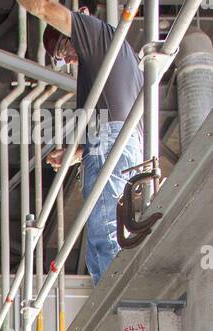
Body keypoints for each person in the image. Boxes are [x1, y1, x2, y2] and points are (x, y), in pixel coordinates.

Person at [18, 0, 144, 283]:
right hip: (121, 142)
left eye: (63, 51)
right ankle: (115, 304)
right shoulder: (114, 52)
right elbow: (116, 115)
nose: (69, 60)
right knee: (103, 242)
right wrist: (79, 151)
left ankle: (117, 307)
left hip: (111, 143)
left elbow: (42, 8)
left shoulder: (92, 32)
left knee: (107, 235)